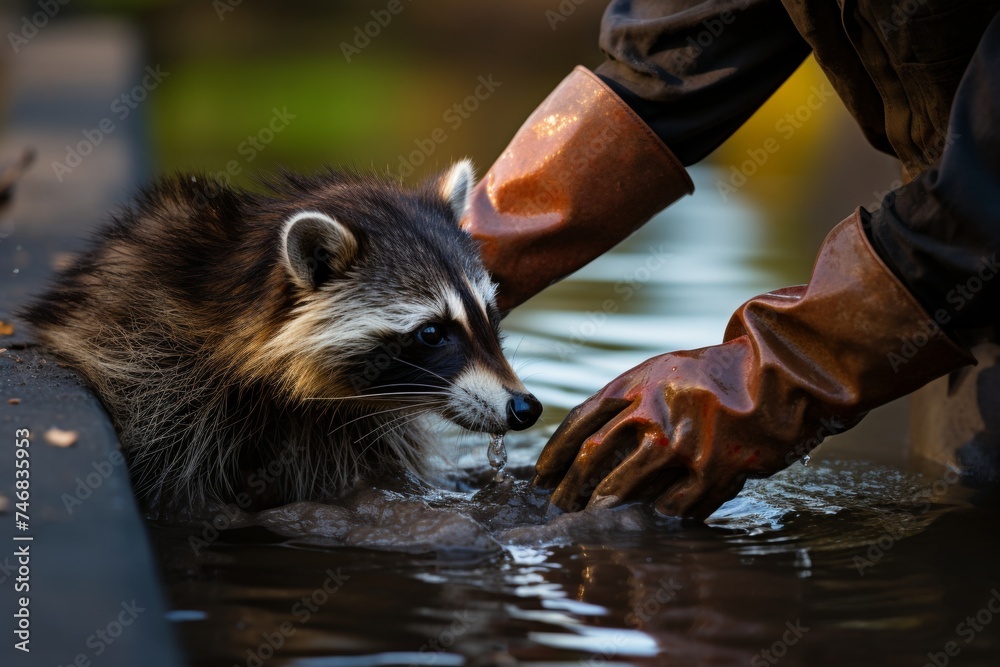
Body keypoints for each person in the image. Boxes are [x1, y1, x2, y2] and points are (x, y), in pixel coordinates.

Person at [460, 0, 1000, 520]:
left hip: (945, 269)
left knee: (972, 521)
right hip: (936, 289)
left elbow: (982, 186)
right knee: (948, 529)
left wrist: (763, 383)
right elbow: (663, 66)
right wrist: (440, 272)